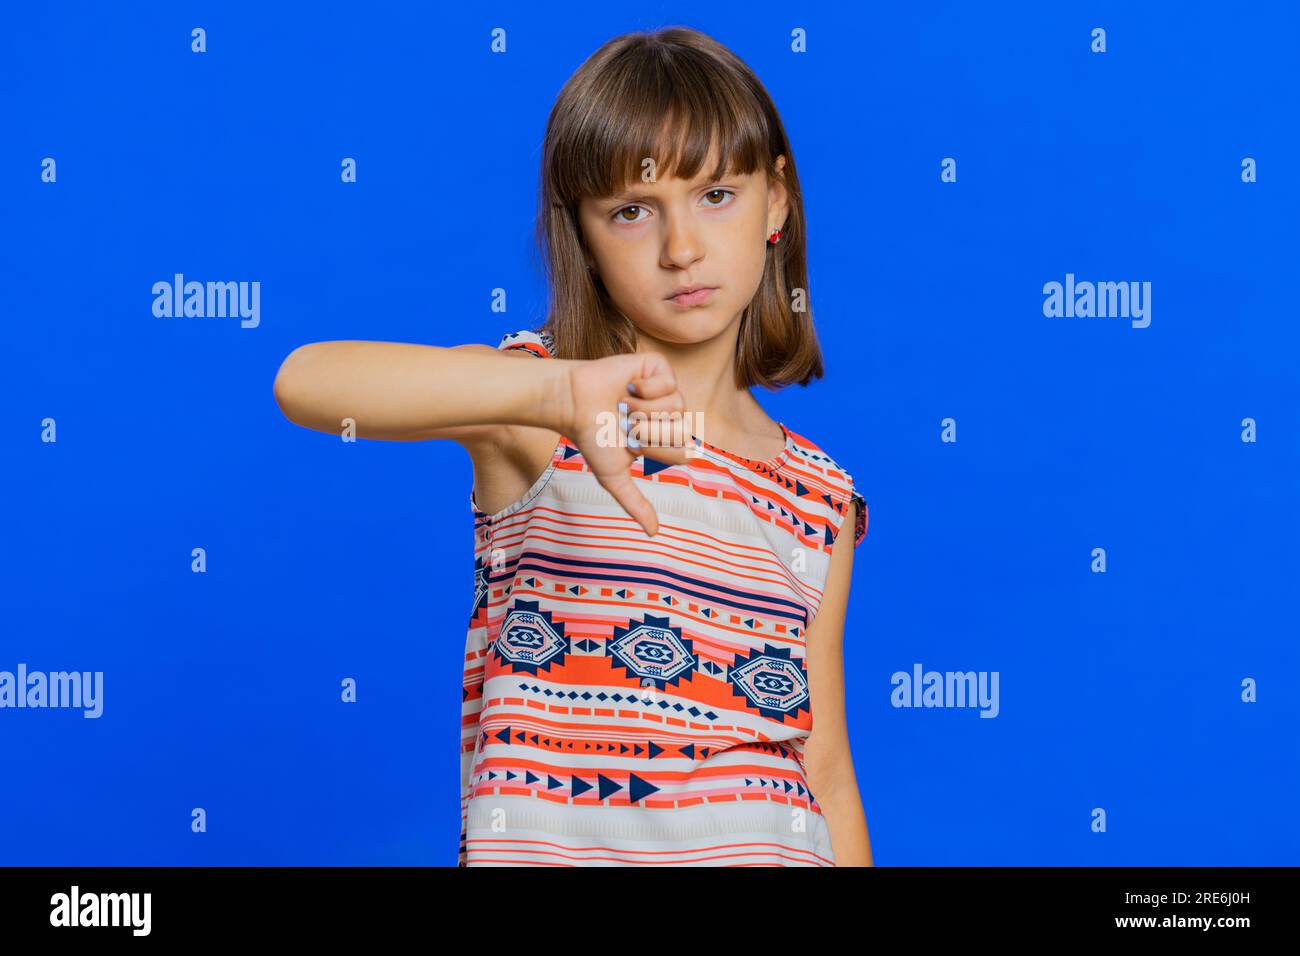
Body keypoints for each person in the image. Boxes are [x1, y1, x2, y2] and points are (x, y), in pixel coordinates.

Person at [274, 26, 872, 866]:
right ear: (583, 236)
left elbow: (826, 770)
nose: (681, 248)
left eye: (716, 195)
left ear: (775, 201)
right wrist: (555, 394)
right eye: (632, 211)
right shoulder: (537, 407)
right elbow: (307, 381)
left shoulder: (819, 496)